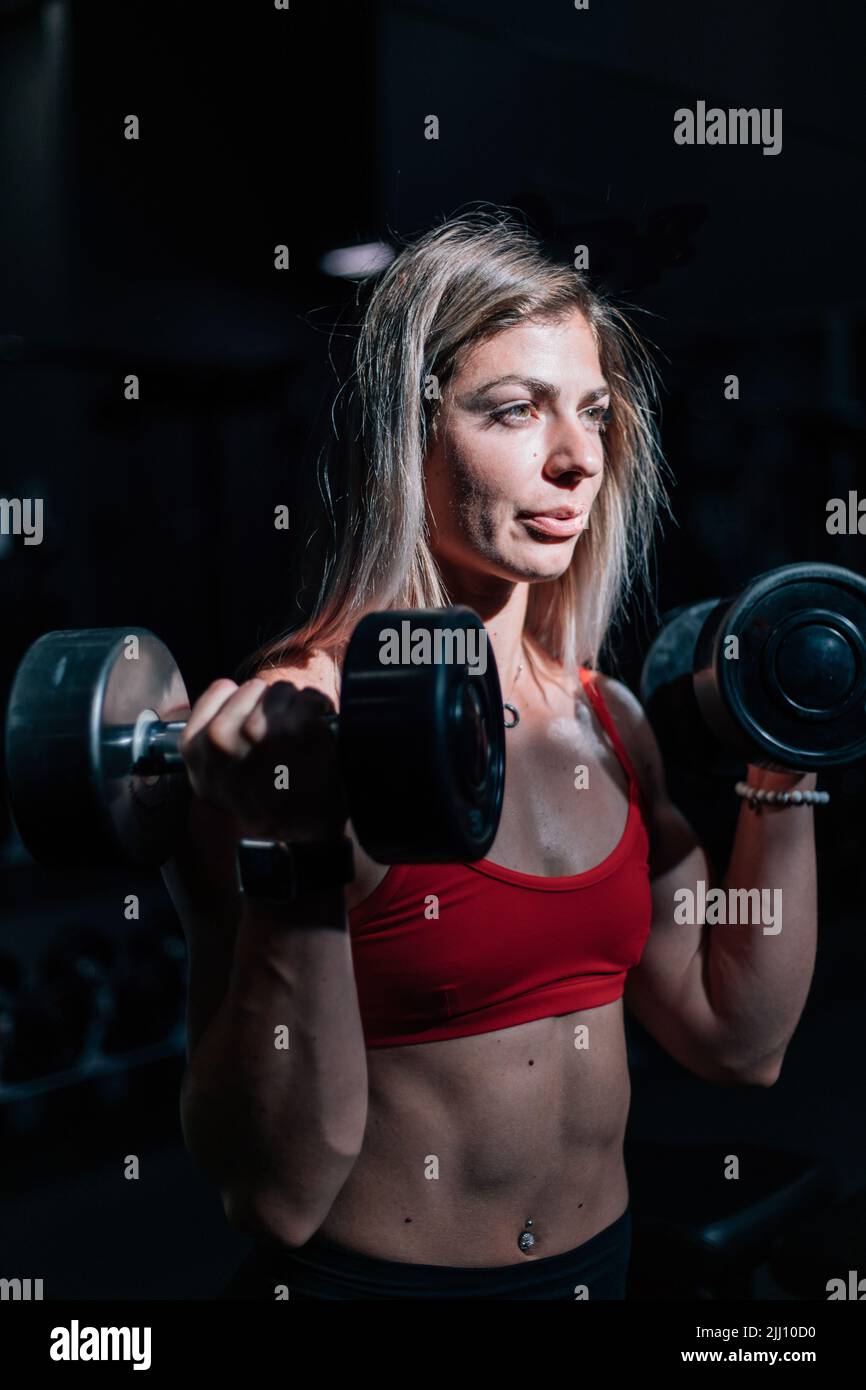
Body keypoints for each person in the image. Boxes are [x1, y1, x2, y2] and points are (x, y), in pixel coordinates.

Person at [162, 208, 819, 1300]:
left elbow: (734, 1038)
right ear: (404, 436)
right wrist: (295, 865)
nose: (574, 460)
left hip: (594, 1274)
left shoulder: (604, 719)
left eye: (594, 415)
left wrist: (782, 759)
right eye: (514, 412)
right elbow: (269, 1191)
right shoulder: (292, 731)